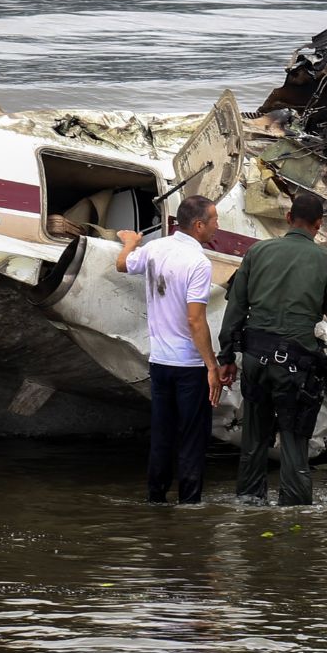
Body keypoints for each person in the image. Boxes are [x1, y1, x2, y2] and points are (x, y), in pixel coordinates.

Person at [216, 191, 327, 506]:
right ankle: (294, 520)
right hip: (297, 366)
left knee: (253, 440)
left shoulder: (256, 253)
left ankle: (249, 509)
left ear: (288, 218)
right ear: (319, 225)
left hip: (254, 360)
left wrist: (226, 356)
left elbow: (235, 310)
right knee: (294, 442)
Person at [117, 195, 222, 504]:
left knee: (162, 435)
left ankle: (156, 499)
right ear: (199, 225)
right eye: (214, 220)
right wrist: (212, 366)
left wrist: (130, 241)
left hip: (159, 362)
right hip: (189, 366)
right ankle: (189, 505)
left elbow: (122, 264)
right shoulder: (199, 262)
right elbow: (195, 320)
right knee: (191, 439)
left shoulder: (155, 248)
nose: (218, 226)